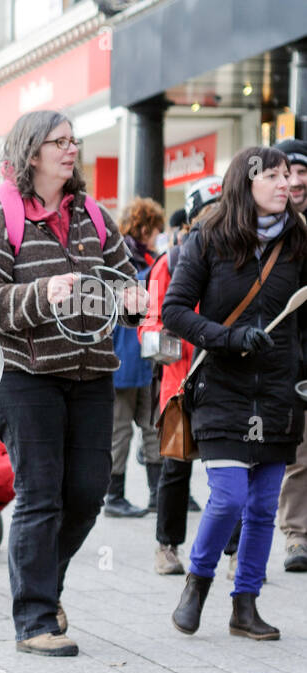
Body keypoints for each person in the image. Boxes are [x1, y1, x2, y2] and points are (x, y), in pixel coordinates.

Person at [0, 109, 149, 657]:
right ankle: (35, 619)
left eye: (74, 141)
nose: (71, 149)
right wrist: (43, 293)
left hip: (92, 373)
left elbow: (122, 277)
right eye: (58, 141)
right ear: (30, 152)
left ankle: (44, 582)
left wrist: (133, 303)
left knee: (88, 493)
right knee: (41, 495)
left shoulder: (92, 213)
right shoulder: (0, 217)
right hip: (27, 376)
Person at [164, 145, 307, 640]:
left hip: (279, 392)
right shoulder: (208, 238)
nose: (285, 183)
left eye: (287, 175)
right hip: (222, 386)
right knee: (227, 499)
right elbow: (175, 311)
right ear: (245, 184)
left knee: (264, 507)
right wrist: (229, 338)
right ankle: (198, 581)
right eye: (272, 175)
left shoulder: (299, 240)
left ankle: (245, 606)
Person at [139, 177, 222, 574]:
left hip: (229, 378)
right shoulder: (169, 262)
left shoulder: (244, 257)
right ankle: (166, 546)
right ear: (193, 220)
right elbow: (150, 320)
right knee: (176, 465)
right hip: (181, 380)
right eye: (211, 213)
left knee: (232, 466)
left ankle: (236, 551)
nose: (220, 219)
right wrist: (164, 337)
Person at [105, 196, 167, 518]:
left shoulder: (152, 258)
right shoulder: (123, 257)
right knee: (120, 430)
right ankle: (114, 498)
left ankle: (158, 494)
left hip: (146, 356)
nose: (159, 235)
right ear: (144, 227)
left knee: (154, 425)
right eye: (156, 229)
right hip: (123, 358)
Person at [275, 137, 307, 571]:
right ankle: (297, 537)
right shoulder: (266, 228)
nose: (297, 180)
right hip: (284, 357)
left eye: (302, 172)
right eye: (288, 172)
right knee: (298, 456)